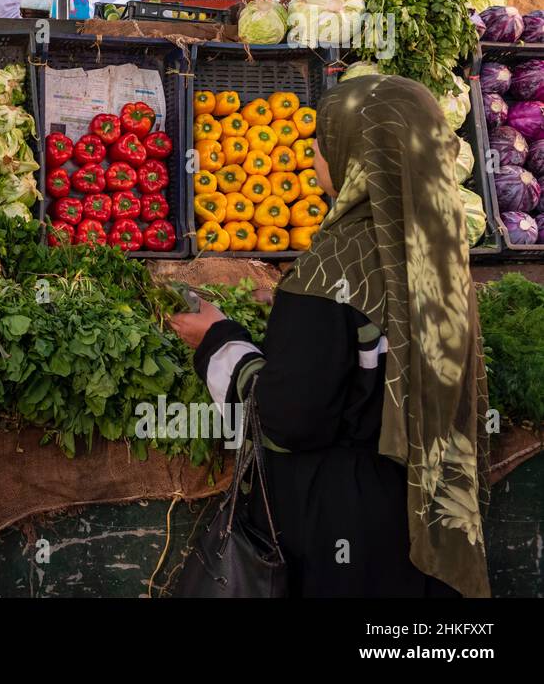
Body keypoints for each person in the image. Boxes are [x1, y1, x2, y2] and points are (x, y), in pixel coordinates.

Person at [171, 74, 491, 598]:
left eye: (325, 141)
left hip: (345, 520)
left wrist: (218, 339)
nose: (316, 151)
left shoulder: (331, 267)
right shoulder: (439, 245)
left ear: (358, 159)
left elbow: (289, 418)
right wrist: (299, 318)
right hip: (420, 507)